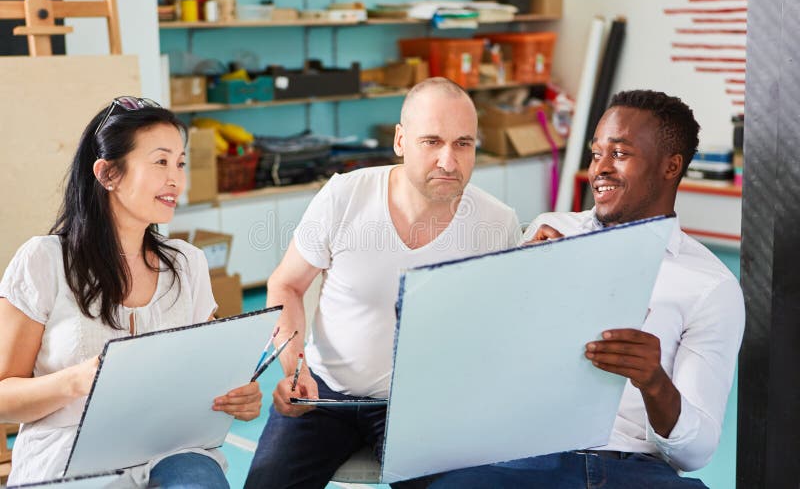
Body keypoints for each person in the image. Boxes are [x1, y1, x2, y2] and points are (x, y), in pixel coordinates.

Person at [429, 90, 746, 488]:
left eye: (620, 153)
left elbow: (695, 453)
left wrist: (653, 381)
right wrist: (510, 284)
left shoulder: (709, 286)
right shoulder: (550, 233)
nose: (601, 169)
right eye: (597, 154)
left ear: (671, 166)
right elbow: (479, 364)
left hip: (630, 466)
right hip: (521, 457)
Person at [244, 77, 521, 489]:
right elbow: (286, 285)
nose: (449, 160)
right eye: (432, 142)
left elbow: (505, 330)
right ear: (400, 141)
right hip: (324, 392)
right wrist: (295, 368)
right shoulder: (345, 197)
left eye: (463, 144)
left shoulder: (496, 224)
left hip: (423, 405)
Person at [0, 97, 262, 487]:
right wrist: (77, 381)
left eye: (180, 163)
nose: (176, 179)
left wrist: (241, 397)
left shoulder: (188, 263)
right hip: (70, 460)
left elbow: (209, 373)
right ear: (108, 174)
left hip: (171, 449)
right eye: (160, 162)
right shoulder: (43, 260)